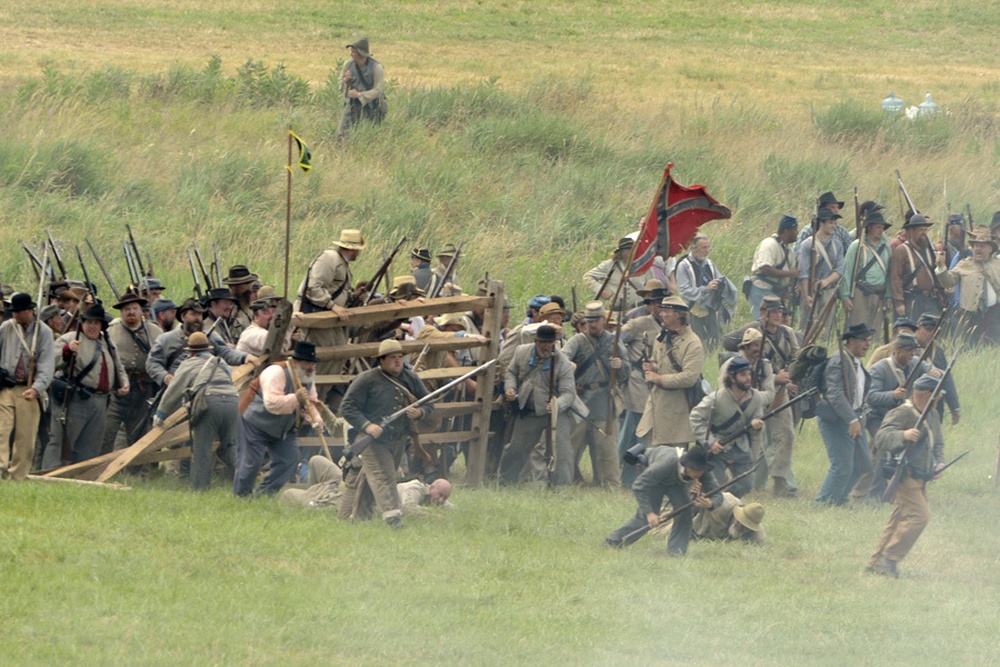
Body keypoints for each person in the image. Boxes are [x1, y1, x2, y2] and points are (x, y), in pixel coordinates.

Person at [338, 339, 434, 527]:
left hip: (398, 440)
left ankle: (358, 517)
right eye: (392, 358)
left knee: (371, 478)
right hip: (372, 440)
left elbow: (429, 403)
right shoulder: (367, 379)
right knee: (385, 476)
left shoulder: (410, 378)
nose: (398, 361)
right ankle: (393, 519)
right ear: (381, 360)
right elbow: (347, 407)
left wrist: (419, 412)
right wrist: (366, 425)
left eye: (400, 357)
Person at [865, 374, 945, 578]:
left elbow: (937, 443)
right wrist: (903, 435)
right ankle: (890, 558)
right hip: (904, 475)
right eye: (936, 396)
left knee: (899, 518)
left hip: (921, 476)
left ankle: (876, 562)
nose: (938, 400)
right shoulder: (902, 413)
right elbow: (881, 438)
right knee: (920, 517)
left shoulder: (933, 415)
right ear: (926, 394)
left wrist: (939, 463)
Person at [721, 296, 799, 496]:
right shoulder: (748, 342)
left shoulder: (787, 334)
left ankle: (781, 481)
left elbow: (796, 360)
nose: (778, 316)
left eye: (780, 312)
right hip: (747, 396)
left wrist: (787, 380)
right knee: (750, 440)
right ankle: (743, 481)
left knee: (786, 435)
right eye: (773, 312)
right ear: (763, 314)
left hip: (777, 392)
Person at [43, 304, 130, 468]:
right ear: (82, 323)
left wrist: (123, 383)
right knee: (61, 443)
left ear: (102, 326)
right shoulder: (69, 338)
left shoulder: (107, 343)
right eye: (89, 322)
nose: (92, 326)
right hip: (75, 399)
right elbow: (51, 361)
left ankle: (81, 477)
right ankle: (50, 474)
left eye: (96, 323)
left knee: (90, 446)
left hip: (101, 401)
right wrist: (67, 351)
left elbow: (118, 365)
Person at [233, 341, 324, 497]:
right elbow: (271, 404)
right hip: (255, 421)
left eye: (313, 363)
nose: (311, 367)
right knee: (251, 463)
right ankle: (241, 497)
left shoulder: (308, 379)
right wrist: (295, 397)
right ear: (296, 362)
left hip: (283, 427)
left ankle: (264, 495)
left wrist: (316, 421)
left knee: (290, 459)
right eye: (307, 362)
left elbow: (310, 403)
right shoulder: (276, 372)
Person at [154, 332, 239, 490]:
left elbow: (174, 390)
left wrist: (160, 415)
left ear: (190, 351)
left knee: (202, 451)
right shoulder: (221, 363)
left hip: (209, 402)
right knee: (229, 447)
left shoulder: (189, 363)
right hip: (233, 401)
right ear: (207, 348)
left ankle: (200, 490)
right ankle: (244, 480)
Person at [604, 445, 722, 556]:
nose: (699, 473)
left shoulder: (703, 473)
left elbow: (718, 494)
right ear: (687, 465)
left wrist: (710, 504)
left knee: (685, 513)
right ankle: (612, 541)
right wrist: (649, 513)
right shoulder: (665, 465)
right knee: (645, 518)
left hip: (676, 483)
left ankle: (676, 552)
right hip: (655, 481)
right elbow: (639, 485)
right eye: (696, 469)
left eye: (701, 470)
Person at [498, 325, 576, 485]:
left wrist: (556, 405)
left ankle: (562, 488)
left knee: (562, 451)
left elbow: (569, 393)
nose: (547, 346)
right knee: (516, 449)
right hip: (529, 410)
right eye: (543, 342)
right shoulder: (521, 352)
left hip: (555, 413)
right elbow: (511, 372)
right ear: (535, 341)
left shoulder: (562, 363)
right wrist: (510, 388)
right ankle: (506, 482)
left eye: (550, 343)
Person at [562, 302, 629, 487]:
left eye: (596, 320)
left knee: (607, 448)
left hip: (604, 399)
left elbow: (627, 371)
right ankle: (564, 483)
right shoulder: (577, 341)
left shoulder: (614, 340)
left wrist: (620, 365)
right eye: (589, 320)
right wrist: (570, 367)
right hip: (581, 400)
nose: (592, 324)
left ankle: (610, 485)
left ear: (603, 320)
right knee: (572, 445)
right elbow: (562, 358)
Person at [296, 229, 366, 400]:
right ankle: (312, 401)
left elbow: (335, 289)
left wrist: (352, 297)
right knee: (323, 361)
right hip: (320, 317)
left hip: (330, 320)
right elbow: (313, 287)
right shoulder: (330, 258)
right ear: (353, 249)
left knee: (334, 359)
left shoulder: (340, 263)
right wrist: (332, 305)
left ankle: (321, 399)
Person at [616, 281, 671, 486]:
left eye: (663, 304)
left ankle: (638, 475)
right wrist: (625, 365)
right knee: (636, 431)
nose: (660, 308)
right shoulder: (638, 324)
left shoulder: (673, 326)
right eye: (656, 303)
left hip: (659, 384)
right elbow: (616, 342)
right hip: (638, 383)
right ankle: (626, 475)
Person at [813, 323, 874, 506]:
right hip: (838, 420)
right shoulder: (838, 361)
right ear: (852, 340)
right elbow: (835, 394)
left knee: (861, 465)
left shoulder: (854, 361)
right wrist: (852, 419)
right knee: (842, 466)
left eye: (869, 340)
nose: (867, 345)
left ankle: (839, 499)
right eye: (864, 340)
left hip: (854, 419)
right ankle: (823, 502)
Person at [690, 358, 767, 498]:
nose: (748, 378)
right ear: (732, 378)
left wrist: (756, 426)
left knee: (746, 484)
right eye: (743, 375)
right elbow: (695, 417)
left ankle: (724, 503)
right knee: (713, 487)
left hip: (742, 446)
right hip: (718, 448)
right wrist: (711, 442)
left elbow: (756, 426)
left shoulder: (756, 397)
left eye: (749, 374)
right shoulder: (717, 397)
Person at [636, 296, 705, 449]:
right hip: (655, 407)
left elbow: (689, 378)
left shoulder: (692, 343)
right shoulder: (662, 337)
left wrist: (659, 378)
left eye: (666, 311)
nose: (661, 314)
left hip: (676, 411)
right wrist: (651, 367)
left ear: (677, 315)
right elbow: (657, 362)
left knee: (673, 462)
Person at [101, 291, 163, 456]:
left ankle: (136, 470)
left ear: (141, 310)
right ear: (121, 312)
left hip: (143, 388)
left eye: (134, 308)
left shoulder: (154, 331)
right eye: (127, 309)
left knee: (138, 433)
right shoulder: (110, 331)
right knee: (107, 431)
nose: (131, 312)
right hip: (117, 388)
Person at [0, 293, 55, 480]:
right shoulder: (6, 328)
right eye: (13, 312)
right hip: (6, 388)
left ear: (29, 311)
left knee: (26, 439)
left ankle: (17, 476)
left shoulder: (44, 332)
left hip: (28, 388)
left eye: (18, 312)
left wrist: (37, 388)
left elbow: (47, 365)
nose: (15, 316)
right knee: (1, 430)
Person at [282, 455, 452, 513]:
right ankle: (313, 492)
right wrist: (437, 517)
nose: (441, 500)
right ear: (430, 488)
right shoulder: (414, 489)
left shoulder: (434, 498)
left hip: (354, 489)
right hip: (345, 481)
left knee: (290, 495)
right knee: (315, 460)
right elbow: (409, 508)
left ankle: (311, 494)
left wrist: (448, 508)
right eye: (440, 495)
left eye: (445, 497)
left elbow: (446, 505)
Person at [146, 298, 253, 388]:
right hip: (177, 389)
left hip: (205, 388)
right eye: (193, 314)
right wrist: (164, 376)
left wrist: (245, 357)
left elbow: (226, 353)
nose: (197, 318)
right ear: (183, 317)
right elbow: (152, 363)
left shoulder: (211, 336)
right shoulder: (166, 339)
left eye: (200, 315)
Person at [936, 226, 1000, 345]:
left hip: (995, 315)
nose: (978, 249)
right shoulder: (964, 264)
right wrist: (941, 267)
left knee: (994, 345)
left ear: (990, 248)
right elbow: (948, 282)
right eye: (976, 246)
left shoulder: (998, 264)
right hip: (970, 317)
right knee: (971, 346)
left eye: (982, 246)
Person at [675, 234, 736, 350]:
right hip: (692, 310)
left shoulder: (710, 264)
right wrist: (705, 289)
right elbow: (684, 291)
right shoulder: (684, 266)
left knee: (716, 338)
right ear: (693, 248)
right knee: (697, 341)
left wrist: (721, 285)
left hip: (710, 308)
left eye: (708, 247)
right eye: (704, 247)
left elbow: (719, 279)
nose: (707, 251)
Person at [841, 210, 893, 331]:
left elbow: (889, 275)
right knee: (857, 330)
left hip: (879, 295)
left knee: (875, 331)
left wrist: (888, 297)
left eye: (882, 228)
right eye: (878, 227)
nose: (881, 231)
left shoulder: (886, 248)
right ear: (869, 228)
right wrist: (845, 296)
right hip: (861, 294)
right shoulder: (856, 246)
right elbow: (847, 272)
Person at [797, 208, 845, 337]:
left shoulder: (837, 245)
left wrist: (826, 281)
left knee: (825, 332)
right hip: (812, 291)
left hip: (828, 291)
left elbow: (839, 269)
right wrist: (806, 295)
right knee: (805, 331)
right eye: (830, 223)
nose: (833, 226)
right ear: (821, 223)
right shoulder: (807, 245)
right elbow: (804, 273)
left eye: (834, 223)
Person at [890, 213, 942, 321]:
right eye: (920, 230)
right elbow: (895, 278)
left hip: (929, 299)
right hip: (912, 299)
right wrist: (899, 302)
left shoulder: (930, 251)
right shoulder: (901, 250)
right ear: (911, 231)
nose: (924, 233)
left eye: (925, 230)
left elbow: (935, 272)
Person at [749, 215, 800, 319]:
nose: (797, 233)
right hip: (762, 289)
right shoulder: (769, 244)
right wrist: (789, 274)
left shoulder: (788, 251)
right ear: (786, 231)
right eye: (794, 230)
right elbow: (765, 268)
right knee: (763, 323)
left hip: (776, 292)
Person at [336, 37, 386, 141]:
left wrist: (359, 95)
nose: (351, 54)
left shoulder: (377, 68)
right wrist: (346, 80)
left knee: (367, 135)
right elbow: (340, 85)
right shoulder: (348, 65)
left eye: (353, 52)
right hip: (352, 104)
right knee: (342, 132)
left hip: (372, 106)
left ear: (361, 53)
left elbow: (378, 90)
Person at [692, 493, 766, 544]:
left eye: (746, 526)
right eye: (741, 522)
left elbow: (759, 540)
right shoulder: (721, 504)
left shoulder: (757, 534)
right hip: (695, 529)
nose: (740, 526)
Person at [222, 264, 259, 343]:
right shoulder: (227, 309)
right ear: (233, 287)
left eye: (249, 284)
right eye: (245, 284)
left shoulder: (250, 308)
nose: (249, 288)